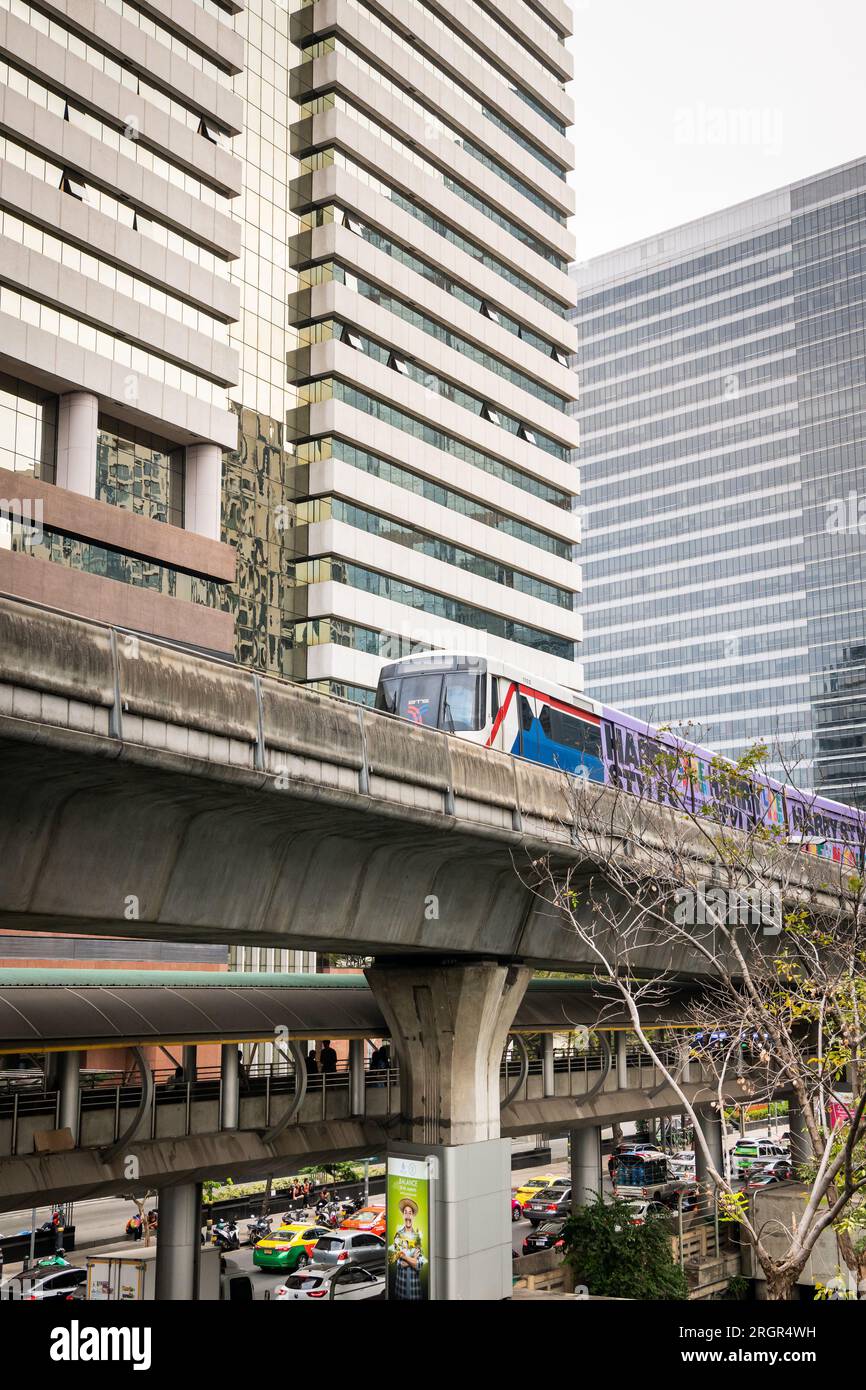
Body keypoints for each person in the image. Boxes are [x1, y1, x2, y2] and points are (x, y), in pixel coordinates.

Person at [389, 1198, 424, 1300]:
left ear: (413, 1216)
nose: (408, 1215)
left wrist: (405, 1257)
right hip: (401, 1289)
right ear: (403, 1215)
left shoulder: (418, 1237)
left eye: (410, 1213)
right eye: (405, 1213)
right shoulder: (398, 1236)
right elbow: (399, 1263)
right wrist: (413, 1257)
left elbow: (419, 1265)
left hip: (415, 1291)